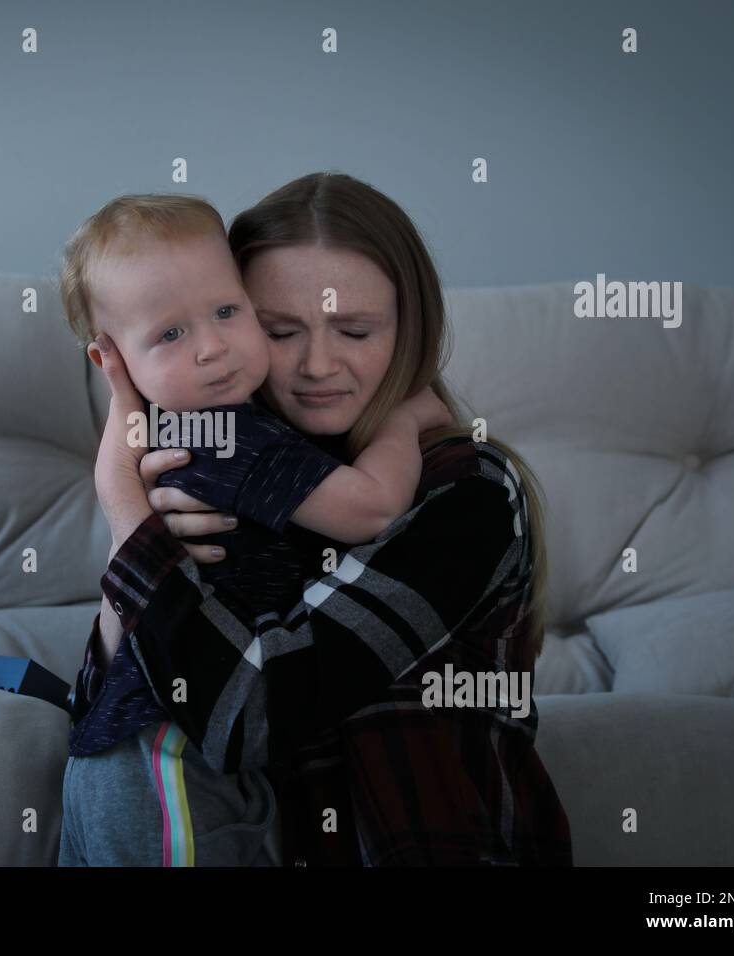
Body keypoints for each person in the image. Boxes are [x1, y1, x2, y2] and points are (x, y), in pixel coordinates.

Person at [70, 171, 574, 866]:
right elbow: (105, 696)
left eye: (356, 329)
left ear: (413, 328)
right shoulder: (229, 455)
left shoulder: (469, 493)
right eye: (280, 330)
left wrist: (129, 518)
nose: (317, 365)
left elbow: (247, 716)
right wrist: (139, 542)